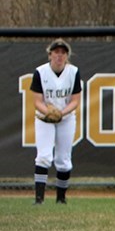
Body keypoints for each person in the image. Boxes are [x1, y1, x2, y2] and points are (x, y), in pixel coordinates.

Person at [31, 38, 82, 205]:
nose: (59, 55)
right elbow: (37, 101)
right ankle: (39, 199)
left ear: (67, 56)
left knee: (64, 160)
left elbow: (75, 100)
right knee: (43, 156)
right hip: (44, 118)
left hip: (66, 118)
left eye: (63, 52)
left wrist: (60, 113)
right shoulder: (40, 72)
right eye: (56, 52)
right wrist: (49, 112)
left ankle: (61, 199)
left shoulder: (73, 72)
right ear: (50, 55)